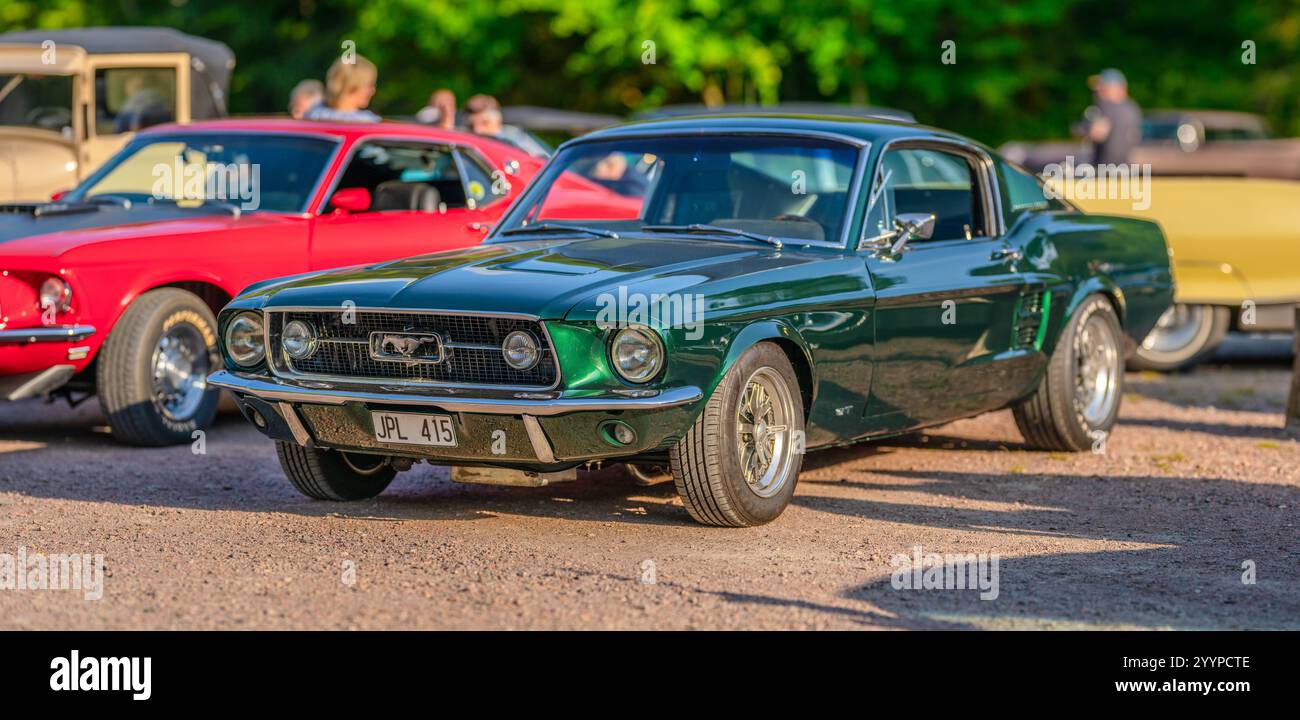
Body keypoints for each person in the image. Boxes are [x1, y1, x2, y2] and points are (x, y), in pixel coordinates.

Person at [1078, 68, 1141, 165]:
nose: (1098, 92)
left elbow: (1097, 133)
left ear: (1119, 88)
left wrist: (1084, 129)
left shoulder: (1105, 106)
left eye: (1104, 88)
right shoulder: (1133, 107)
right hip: (1128, 169)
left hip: (1106, 169)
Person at [463, 94, 550, 157]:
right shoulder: (466, 146)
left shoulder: (513, 137)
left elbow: (542, 159)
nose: (478, 130)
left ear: (497, 120)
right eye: (471, 126)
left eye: (485, 123)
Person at [303, 55, 380, 123]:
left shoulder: (311, 116)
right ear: (353, 86)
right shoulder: (368, 123)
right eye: (369, 85)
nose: (372, 91)